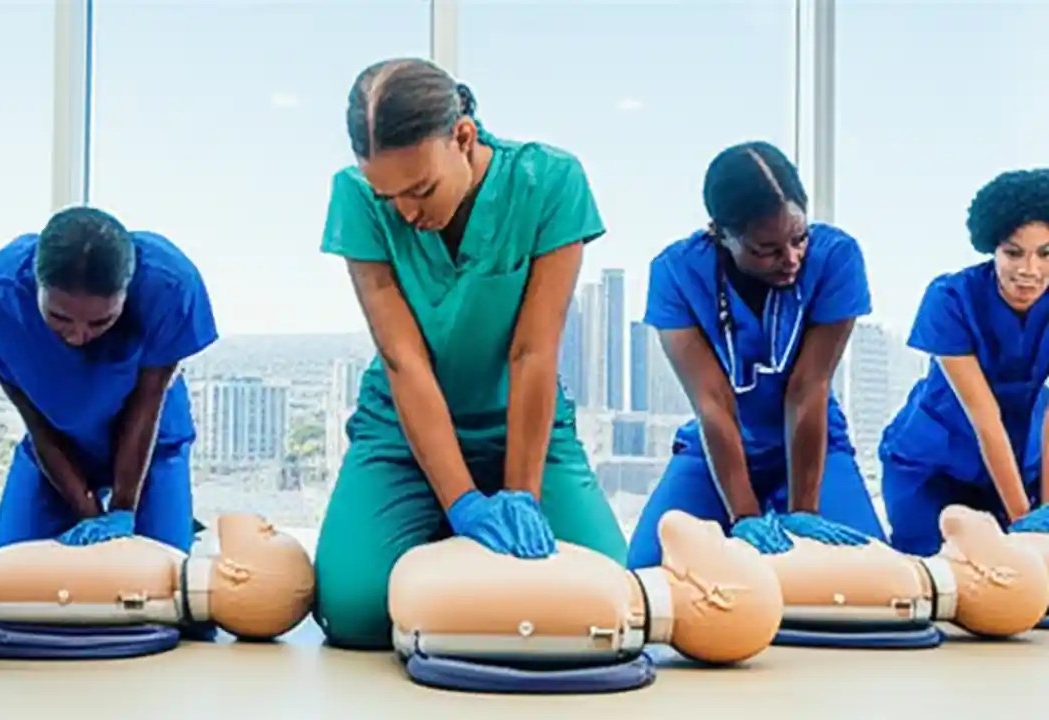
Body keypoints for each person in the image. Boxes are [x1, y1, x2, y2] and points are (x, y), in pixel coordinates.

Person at [312, 57, 628, 649]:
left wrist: (521, 499)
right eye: (390, 197)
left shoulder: (551, 182)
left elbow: (534, 353)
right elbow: (405, 360)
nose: (406, 213)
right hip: (402, 429)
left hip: (522, 426)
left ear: (463, 137)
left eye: (421, 189)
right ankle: (435, 517)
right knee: (354, 611)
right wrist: (461, 504)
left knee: (605, 591)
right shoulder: (354, 196)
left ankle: (453, 526)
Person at [626, 141, 885, 570]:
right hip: (718, 443)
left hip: (811, 442)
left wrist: (804, 512)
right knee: (650, 569)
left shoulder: (837, 257)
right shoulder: (675, 272)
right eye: (766, 249)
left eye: (799, 238)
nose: (791, 259)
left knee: (865, 575)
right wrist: (742, 516)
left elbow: (809, 387)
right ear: (720, 234)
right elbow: (711, 402)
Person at [0, 206, 217, 554]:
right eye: (59, 317)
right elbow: (33, 417)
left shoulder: (168, 285)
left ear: (126, 293)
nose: (78, 336)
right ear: (36, 284)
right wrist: (87, 510)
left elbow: (149, 399)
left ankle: (177, 523)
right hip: (55, 442)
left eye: (101, 322)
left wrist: (121, 512)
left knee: (158, 577)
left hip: (151, 441)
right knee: (15, 579)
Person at [879, 169, 1049, 556]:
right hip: (932, 468)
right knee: (941, 581)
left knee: (1022, 588)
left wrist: (1044, 516)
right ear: (992, 247)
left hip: (1015, 468)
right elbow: (984, 416)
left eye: (1046, 253)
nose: (1030, 271)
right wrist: (1023, 522)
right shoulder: (950, 299)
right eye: (1013, 252)